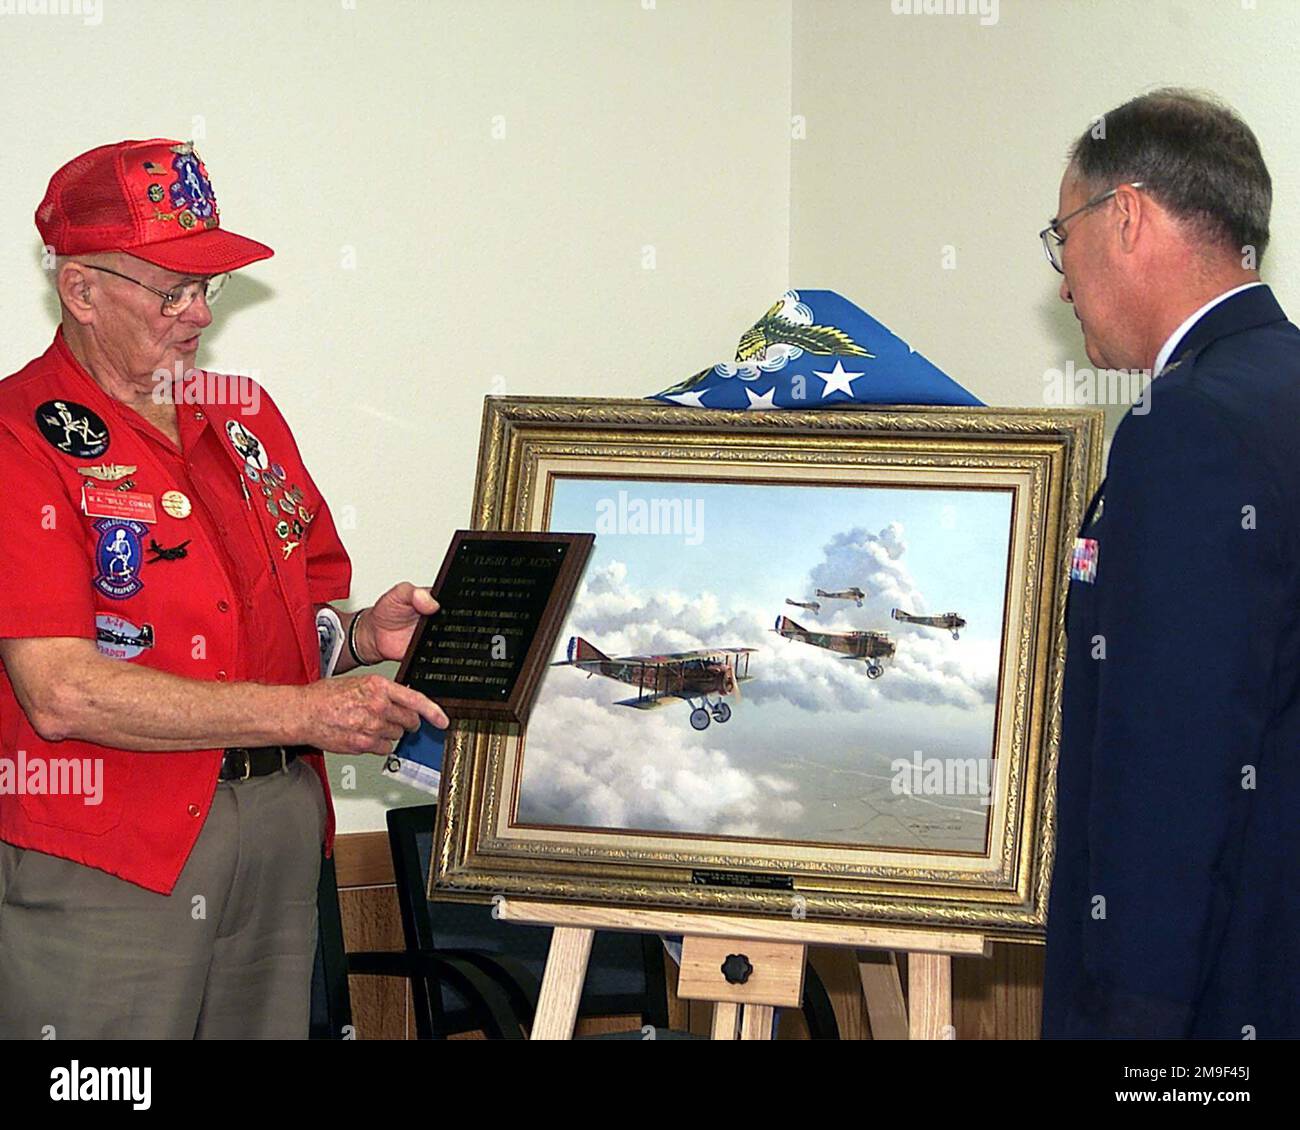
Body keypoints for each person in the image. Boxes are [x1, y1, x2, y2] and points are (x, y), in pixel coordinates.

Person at [0, 138, 447, 1039]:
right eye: (171, 289)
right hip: (116, 846)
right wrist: (306, 713)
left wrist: (358, 639)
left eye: (210, 285)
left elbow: (273, 621)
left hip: (276, 829)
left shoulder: (242, 412)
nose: (199, 313)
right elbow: (61, 693)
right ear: (80, 290)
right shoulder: (19, 438)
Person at [1041, 90, 1300, 1038]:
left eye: (1059, 238)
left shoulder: (1186, 427)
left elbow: (1170, 774)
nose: (1063, 283)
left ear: (1126, 218)